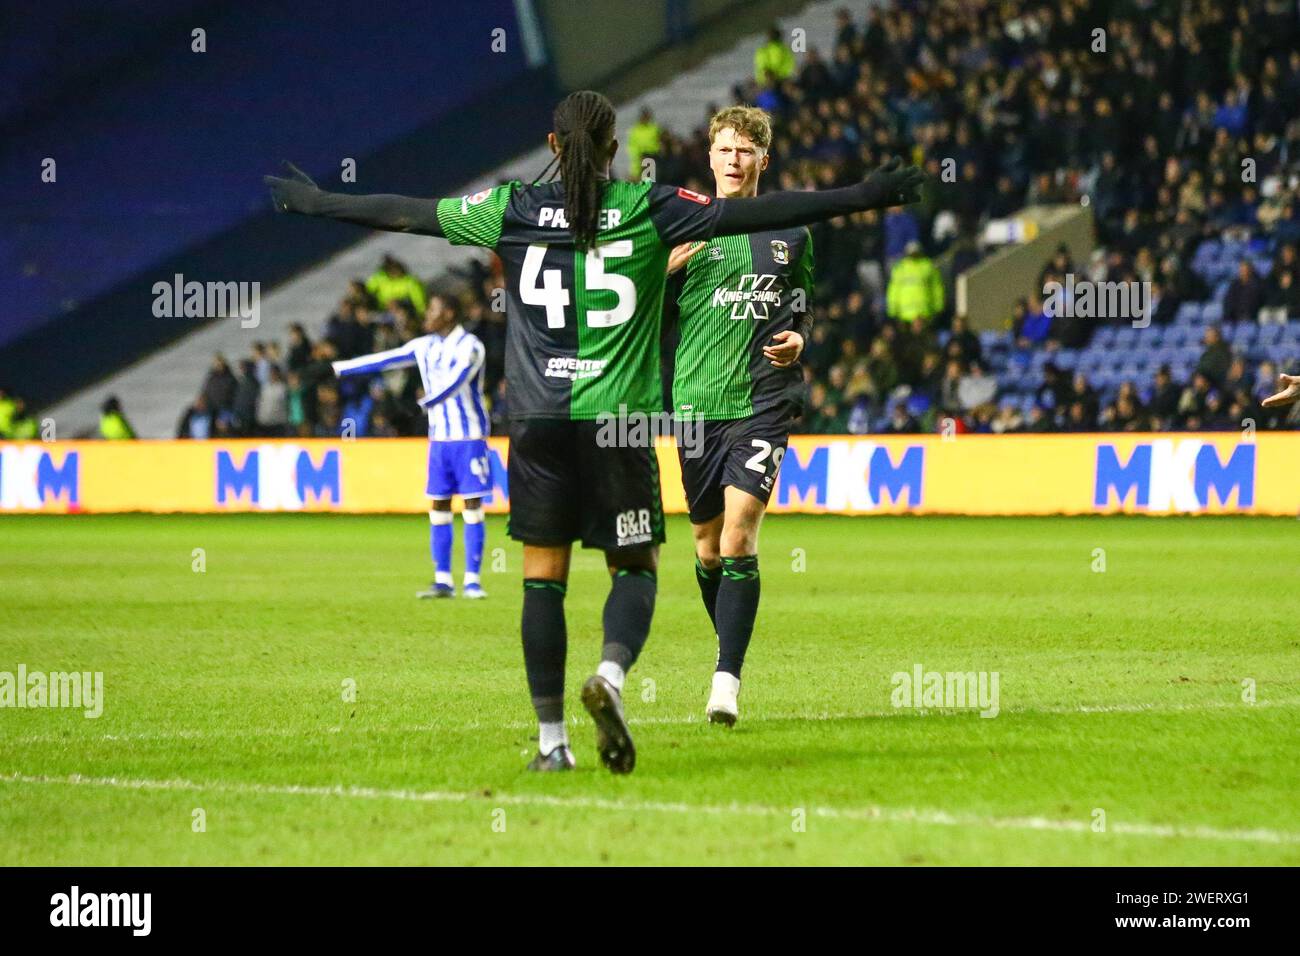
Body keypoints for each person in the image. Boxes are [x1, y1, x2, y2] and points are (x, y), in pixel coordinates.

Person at [265, 89, 924, 774]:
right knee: (635, 568)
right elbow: (762, 211)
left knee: (542, 581)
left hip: (538, 419)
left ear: (553, 147)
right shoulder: (648, 207)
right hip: (618, 419)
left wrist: (318, 205)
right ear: (616, 151)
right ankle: (609, 676)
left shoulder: (512, 208)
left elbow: (408, 215)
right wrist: (865, 195)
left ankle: (552, 744)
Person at [662, 105, 814, 726]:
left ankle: (726, 682)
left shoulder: (791, 231)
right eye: (724, 149)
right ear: (710, 157)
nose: (733, 160)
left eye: (745, 151)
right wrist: (665, 266)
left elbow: (801, 303)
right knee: (706, 550)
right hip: (695, 402)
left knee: (739, 531)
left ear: (762, 160)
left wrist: (799, 337)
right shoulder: (679, 227)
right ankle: (729, 645)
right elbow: (627, 298)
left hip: (763, 400)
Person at [333, 295, 490, 600]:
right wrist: (341, 368)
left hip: (468, 437)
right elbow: (385, 359)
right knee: (439, 505)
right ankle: (443, 579)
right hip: (439, 440)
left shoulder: (471, 346)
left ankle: (472, 580)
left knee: (472, 505)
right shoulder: (425, 346)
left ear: (449, 312)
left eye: (432, 309)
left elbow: (456, 382)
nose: (427, 315)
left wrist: (423, 404)